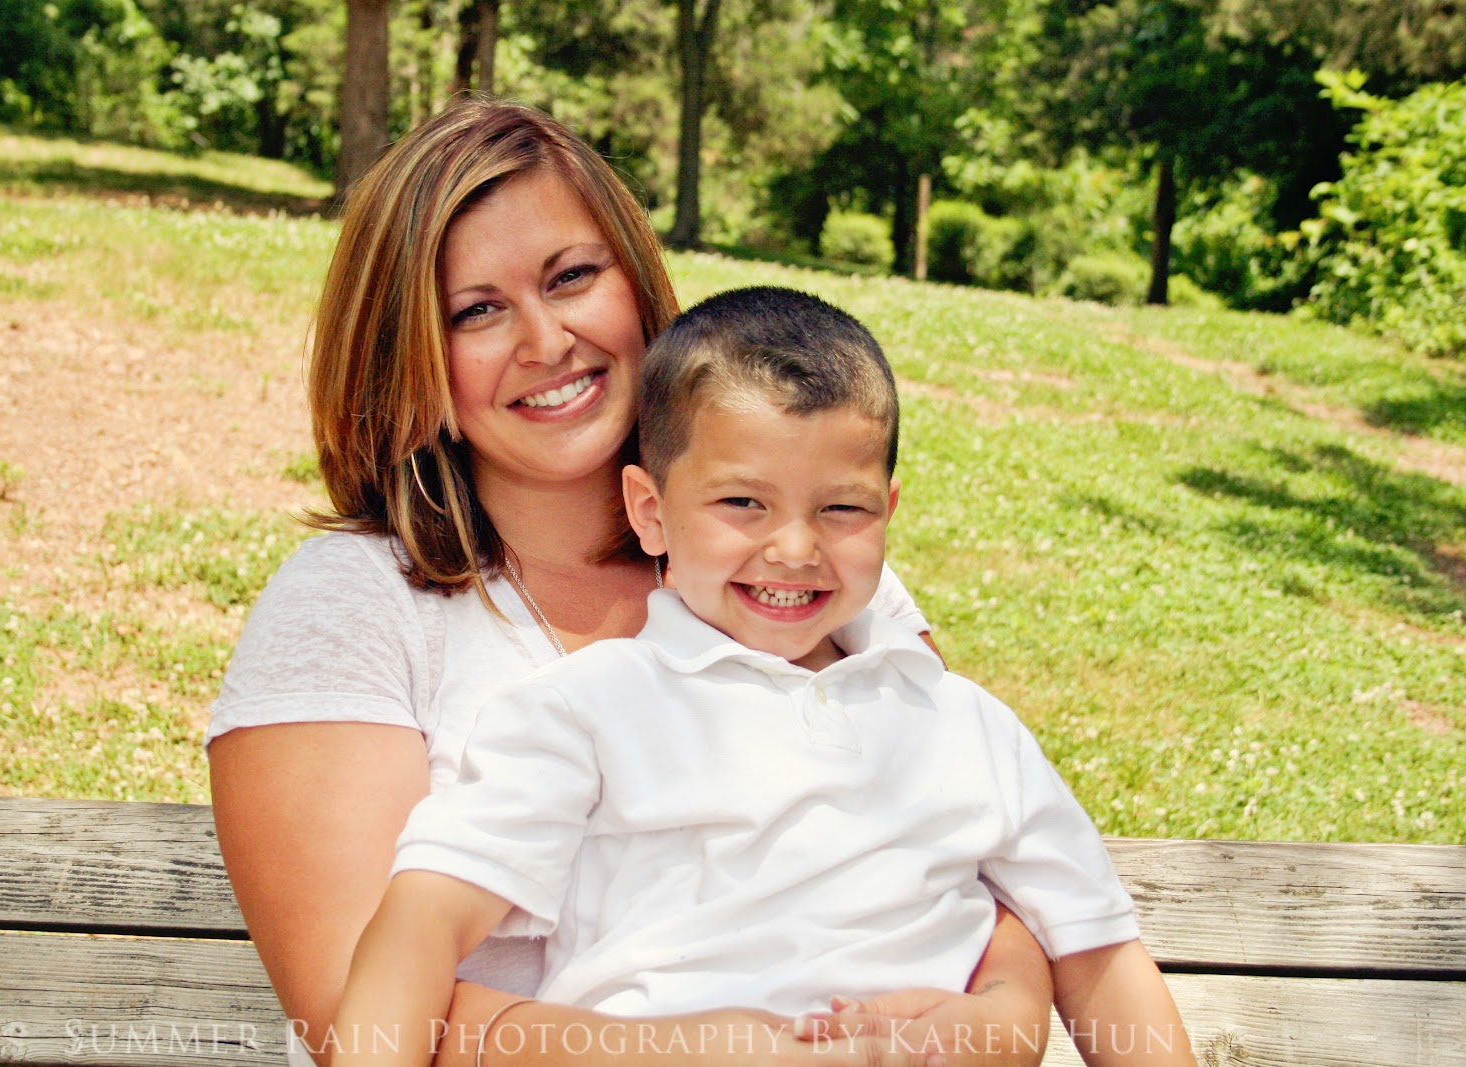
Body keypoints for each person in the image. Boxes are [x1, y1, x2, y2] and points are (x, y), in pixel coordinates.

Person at [207, 99, 1053, 1067]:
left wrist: (1006, 1012)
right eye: (476, 310)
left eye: (571, 276)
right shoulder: (351, 606)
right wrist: (709, 1053)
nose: (546, 340)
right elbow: (347, 1008)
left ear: (637, 285)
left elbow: (971, 846)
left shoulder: (784, 568)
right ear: (413, 362)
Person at [329, 287, 1196, 1067]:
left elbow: (1098, 955)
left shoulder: (966, 725)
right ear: (650, 511)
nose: (794, 547)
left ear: (888, 510)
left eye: (841, 507)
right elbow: (426, 917)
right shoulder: (585, 708)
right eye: (743, 503)